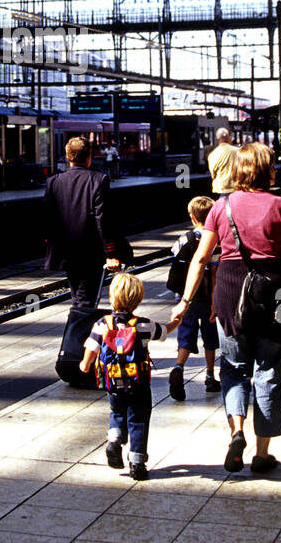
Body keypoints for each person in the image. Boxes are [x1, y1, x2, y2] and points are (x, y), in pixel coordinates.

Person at [172, 142, 281, 474]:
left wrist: (186, 301)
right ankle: (261, 453)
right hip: (274, 294)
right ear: (268, 170)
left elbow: (201, 259)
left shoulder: (221, 206)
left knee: (234, 369)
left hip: (230, 293)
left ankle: (237, 432)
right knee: (269, 371)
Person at [80, 272, 174, 480]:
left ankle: (114, 440)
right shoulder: (143, 325)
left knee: (117, 413)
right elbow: (165, 331)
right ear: (138, 299)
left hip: (113, 383)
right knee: (139, 420)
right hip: (138, 384)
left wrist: (85, 365)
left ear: (112, 296)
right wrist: (177, 320)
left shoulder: (102, 324)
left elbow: (91, 348)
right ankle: (137, 464)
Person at [44, 136, 120, 387]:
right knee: (85, 304)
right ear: (89, 156)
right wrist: (110, 252)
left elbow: (48, 219)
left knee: (79, 299)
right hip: (91, 254)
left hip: (66, 254)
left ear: (68, 156)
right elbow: (103, 220)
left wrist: (52, 246)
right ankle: (77, 361)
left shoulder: (53, 182)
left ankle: (79, 356)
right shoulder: (99, 180)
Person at [168, 194, 220, 401]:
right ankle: (209, 375)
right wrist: (216, 302)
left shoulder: (184, 239)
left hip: (185, 297)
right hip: (207, 297)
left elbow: (175, 259)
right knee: (210, 337)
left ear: (192, 217)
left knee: (186, 334)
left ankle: (179, 367)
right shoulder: (215, 241)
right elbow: (215, 274)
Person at [207, 127, 235, 197]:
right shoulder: (238, 151)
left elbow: (213, 174)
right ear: (227, 137)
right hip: (236, 187)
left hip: (221, 188)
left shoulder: (212, 154)